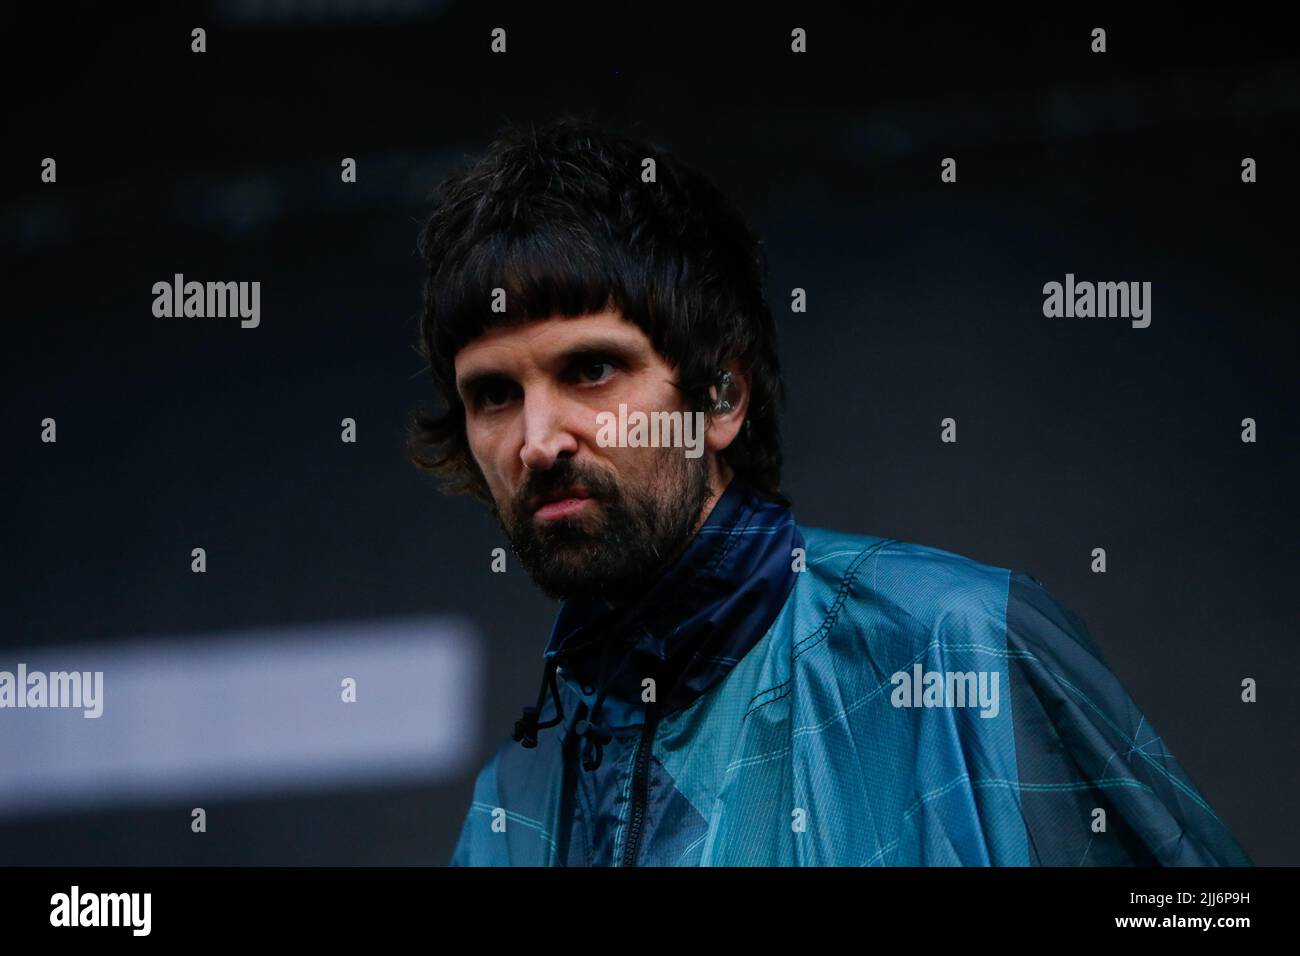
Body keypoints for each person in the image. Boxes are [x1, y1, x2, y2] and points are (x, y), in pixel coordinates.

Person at [408, 115, 1250, 866]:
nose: (539, 438)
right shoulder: (509, 810)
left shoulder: (958, 649)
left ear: (721, 399)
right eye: (494, 394)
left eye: (590, 369)